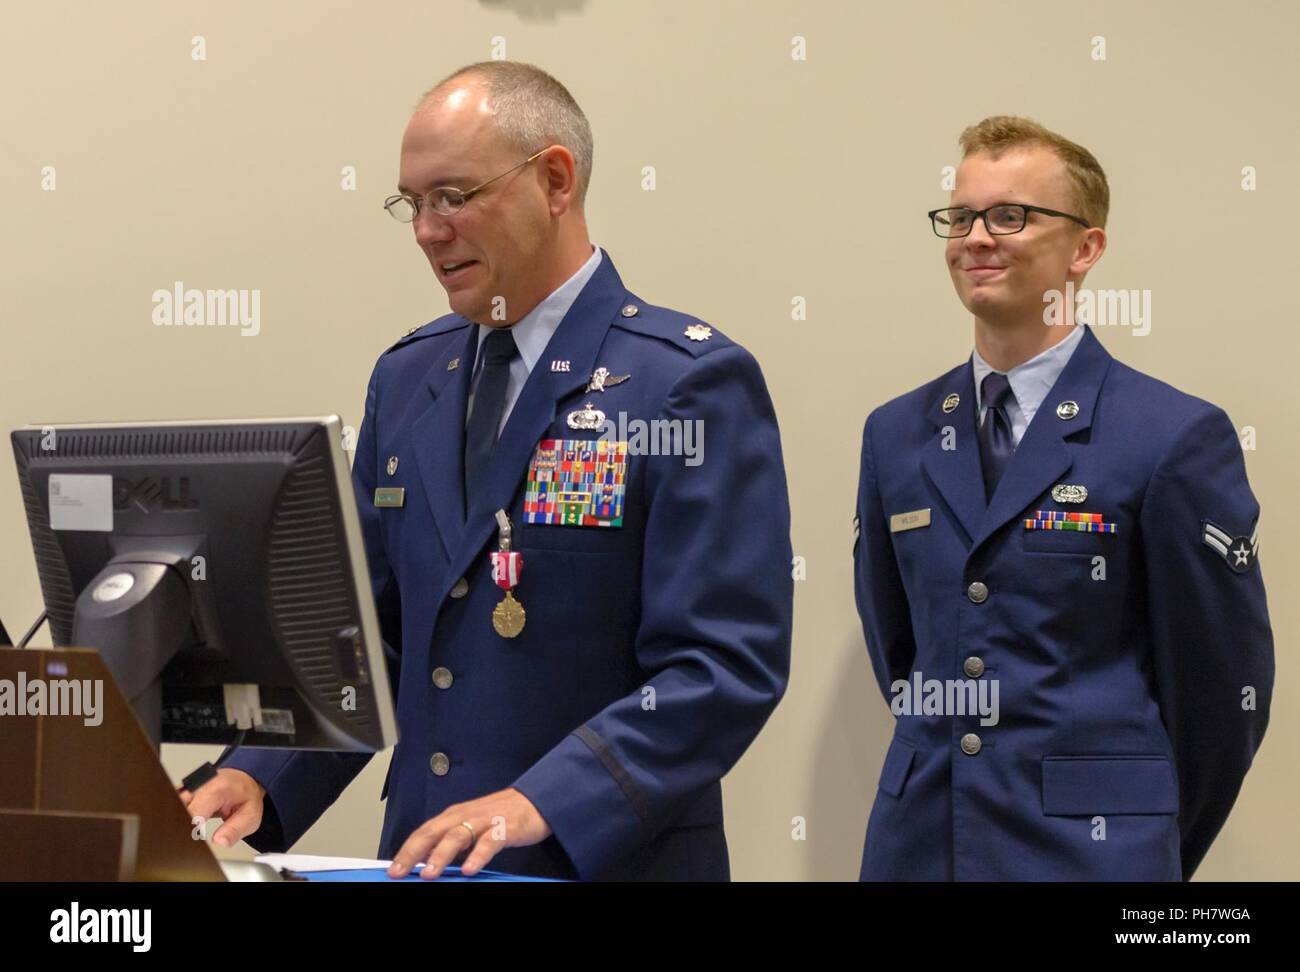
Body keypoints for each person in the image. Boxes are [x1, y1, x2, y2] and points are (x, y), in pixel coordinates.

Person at [183, 61, 793, 881]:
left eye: (455, 196)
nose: (429, 231)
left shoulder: (683, 382)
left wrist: (544, 801)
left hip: (602, 860)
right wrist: (256, 775)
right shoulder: (407, 379)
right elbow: (372, 639)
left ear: (554, 179)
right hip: (424, 858)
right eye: (414, 202)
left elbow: (722, 667)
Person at [853, 115, 1273, 880]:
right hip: (921, 847)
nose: (977, 238)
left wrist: (1146, 833)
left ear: (1085, 248)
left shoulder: (1171, 436)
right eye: (962, 215)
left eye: (1010, 215)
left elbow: (1221, 695)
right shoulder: (896, 434)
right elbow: (901, 652)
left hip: (1091, 854)